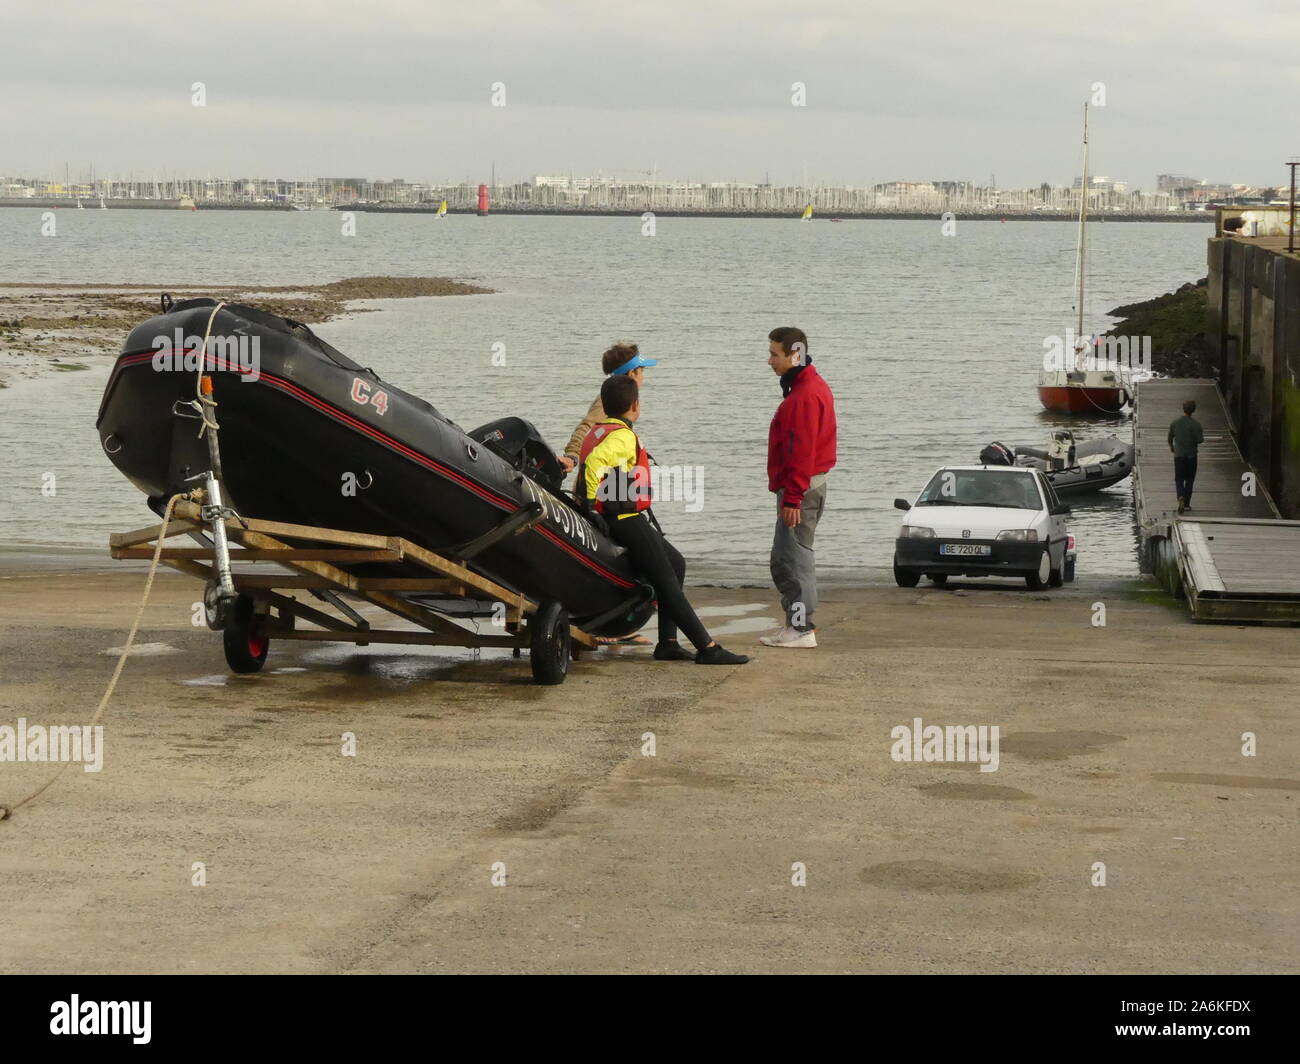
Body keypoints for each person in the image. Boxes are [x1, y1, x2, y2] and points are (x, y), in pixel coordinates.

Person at [579, 375, 748, 666]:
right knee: (667, 580)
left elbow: (592, 463)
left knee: (676, 563)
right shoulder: (622, 436)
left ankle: (668, 643)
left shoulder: (598, 431)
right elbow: (595, 463)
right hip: (623, 517)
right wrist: (595, 507)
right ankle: (707, 647)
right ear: (635, 406)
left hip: (618, 515)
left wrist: (593, 504)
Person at [761, 326, 837, 649]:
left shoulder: (804, 397)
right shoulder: (808, 386)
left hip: (801, 492)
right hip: (806, 488)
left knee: (794, 559)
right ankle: (796, 625)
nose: (769, 361)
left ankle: (801, 628)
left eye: (774, 354)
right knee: (785, 557)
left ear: (795, 355)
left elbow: (801, 452)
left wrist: (792, 498)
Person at [558, 343, 656, 473]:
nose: (643, 377)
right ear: (632, 373)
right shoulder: (611, 399)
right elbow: (586, 426)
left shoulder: (619, 396)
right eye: (641, 371)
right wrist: (572, 456)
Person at [1168, 398, 1205, 514]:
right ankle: (1187, 502)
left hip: (1179, 456)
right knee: (1189, 479)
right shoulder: (1196, 425)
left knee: (1179, 478)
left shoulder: (1175, 423)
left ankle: (1180, 497)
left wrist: (1172, 447)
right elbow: (1200, 440)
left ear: (1183, 409)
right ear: (1193, 410)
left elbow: (1170, 438)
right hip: (1191, 456)